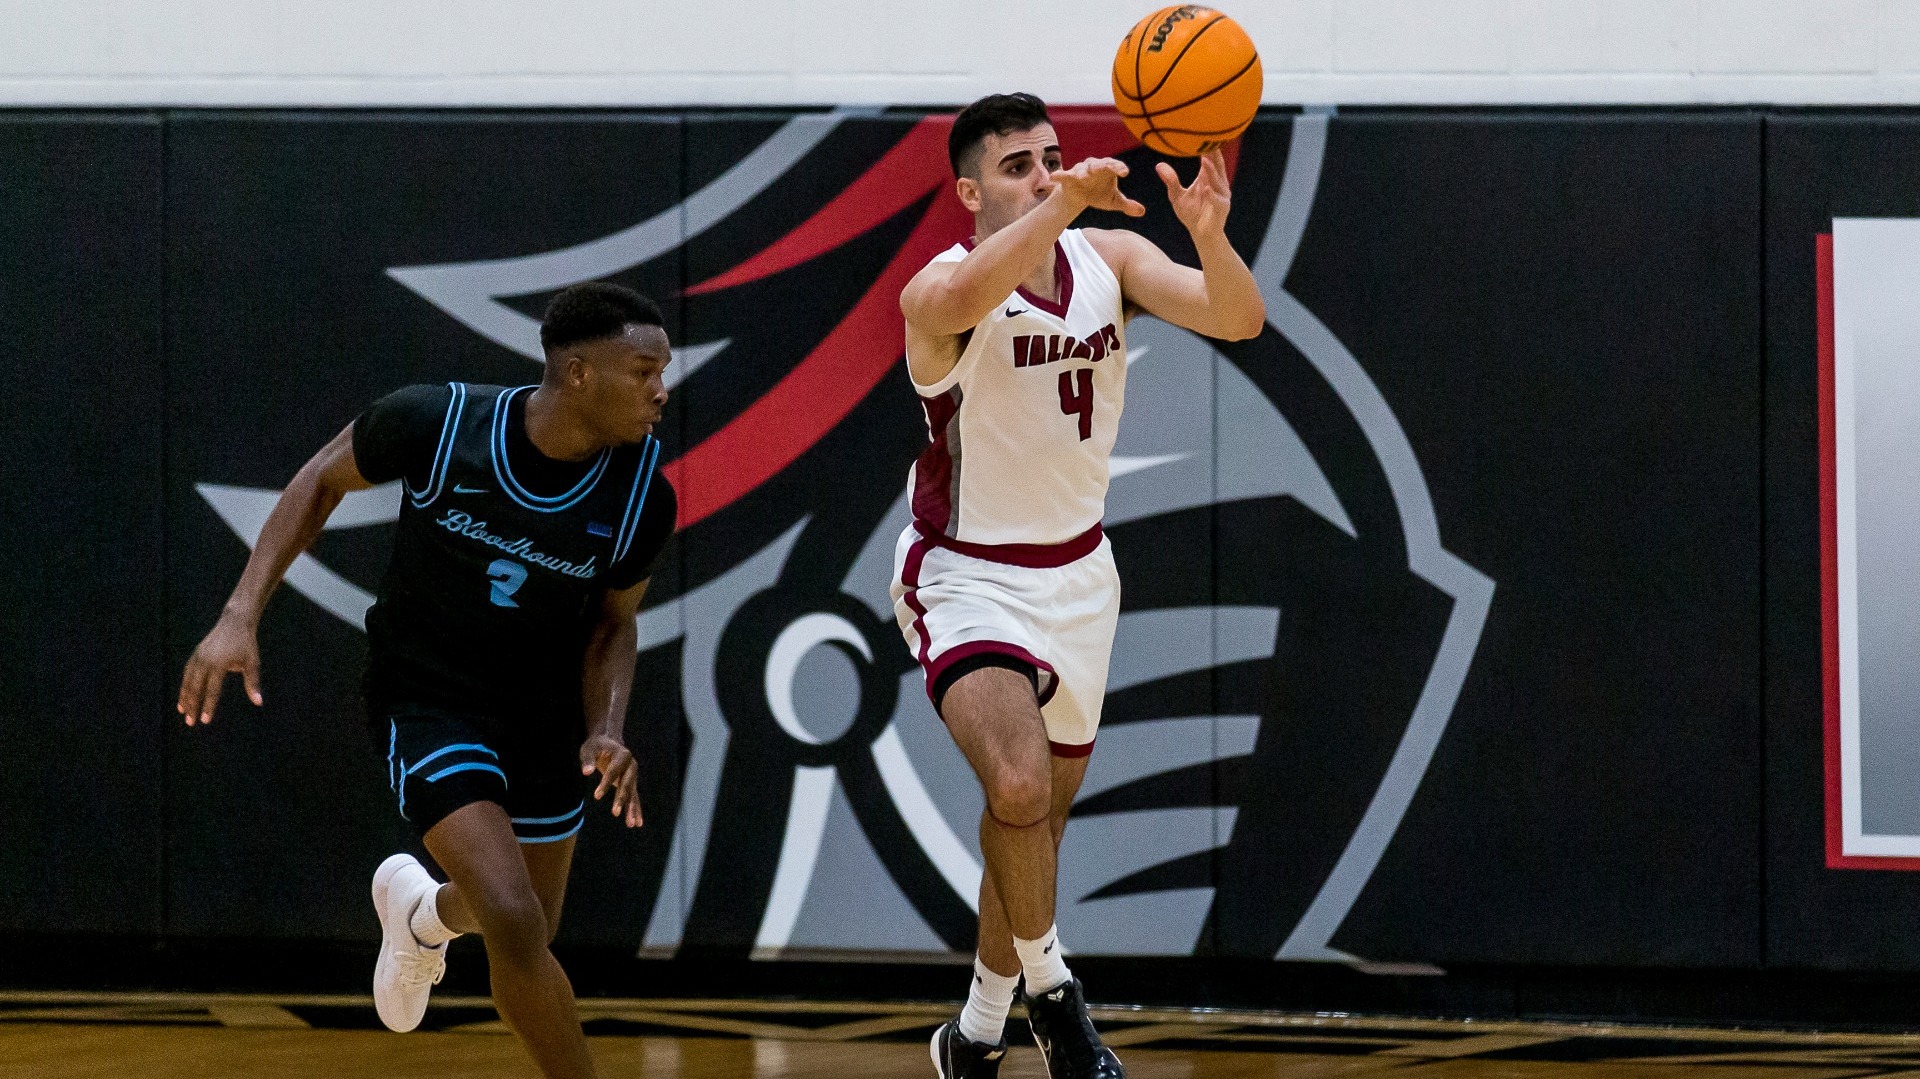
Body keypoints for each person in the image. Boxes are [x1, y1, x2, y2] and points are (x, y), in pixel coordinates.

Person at [177, 282, 676, 1079]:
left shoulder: (641, 492)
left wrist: (607, 725)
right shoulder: (440, 423)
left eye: (664, 370)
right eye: (644, 369)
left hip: (542, 714)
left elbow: (614, 624)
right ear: (578, 374)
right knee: (513, 922)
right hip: (430, 695)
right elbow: (319, 480)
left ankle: (420, 915)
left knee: (528, 924)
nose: (661, 389)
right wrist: (240, 612)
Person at [893, 93, 1267, 1079]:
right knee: (1015, 785)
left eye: (1052, 157)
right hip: (966, 573)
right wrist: (1062, 207)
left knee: (1036, 826)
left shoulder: (1113, 261)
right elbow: (963, 299)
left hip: (1079, 575)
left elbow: (1239, 318)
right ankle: (1057, 998)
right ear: (969, 189)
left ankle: (973, 1032)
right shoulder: (937, 290)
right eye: (1020, 165)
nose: (1045, 174)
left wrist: (1210, 238)